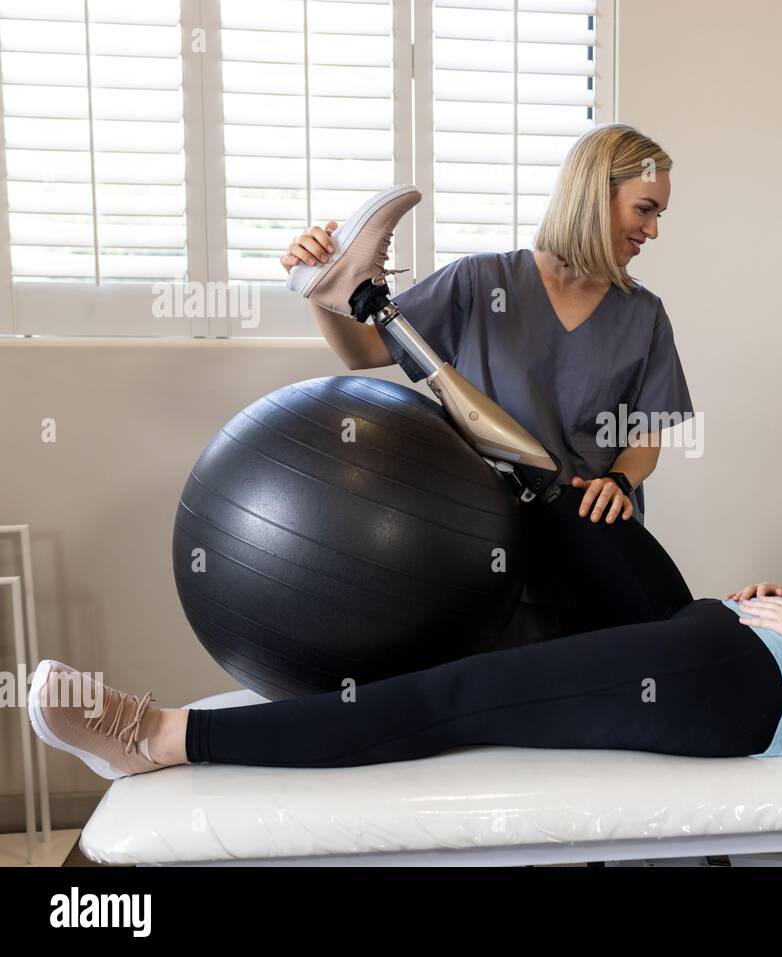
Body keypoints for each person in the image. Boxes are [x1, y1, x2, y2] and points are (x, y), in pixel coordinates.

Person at [28, 562, 782, 797]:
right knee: (462, 665)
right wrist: (778, 602)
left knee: (455, 700)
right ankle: (204, 728)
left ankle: (164, 736)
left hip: (746, 692)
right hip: (733, 644)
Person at [280, 124, 693, 646]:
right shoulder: (480, 283)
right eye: (645, 209)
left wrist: (620, 483)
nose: (652, 231)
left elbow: (646, 432)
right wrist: (318, 288)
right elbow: (361, 351)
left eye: (658, 215)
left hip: (590, 542)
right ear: (594, 196)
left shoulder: (644, 314)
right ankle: (345, 284)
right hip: (482, 544)